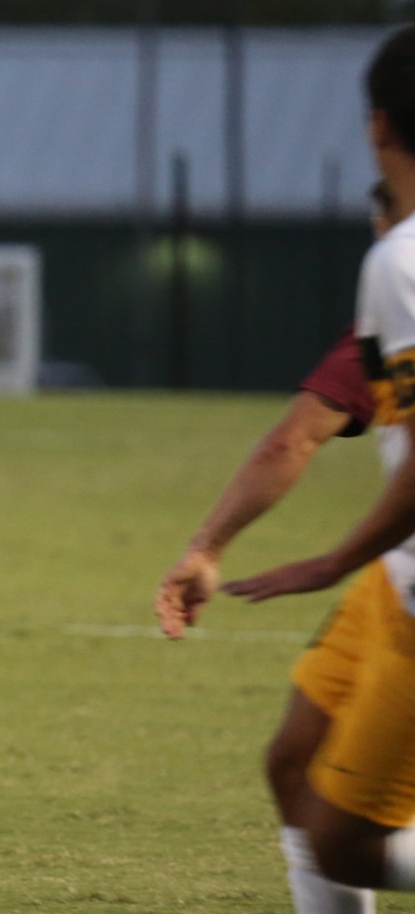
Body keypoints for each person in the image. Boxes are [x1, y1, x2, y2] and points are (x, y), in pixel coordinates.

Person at [194, 26, 415, 914]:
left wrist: (323, 561)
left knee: (343, 838)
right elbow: (301, 431)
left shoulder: (399, 264)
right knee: (291, 759)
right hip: (394, 579)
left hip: (398, 583)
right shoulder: (389, 273)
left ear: (375, 129)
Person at [153, 182, 394, 642]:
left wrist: (208, 547)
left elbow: (293, 441)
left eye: (379, 227)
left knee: (326, 710)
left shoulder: (398, 289)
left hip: (403, 590)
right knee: (317, 708)